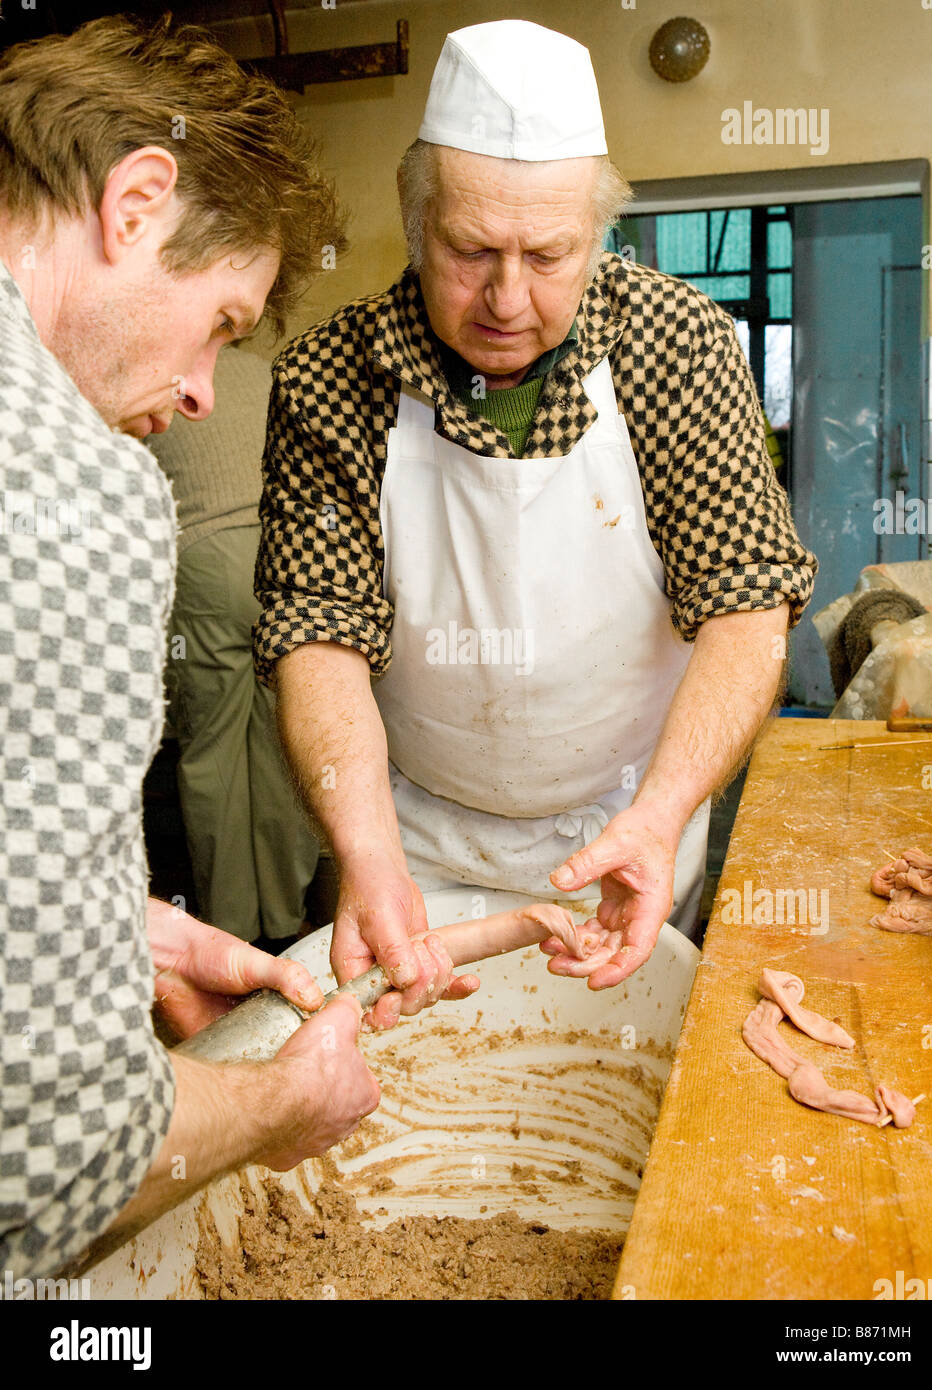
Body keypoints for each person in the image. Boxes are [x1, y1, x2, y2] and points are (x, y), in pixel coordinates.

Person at [0, 15, 451, 1281]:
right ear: (136, 202)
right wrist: (272, 1105)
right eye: (218, 319)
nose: (204, 392)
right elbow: (51, 1157)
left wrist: (101, 925)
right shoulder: (73, 487)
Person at [255, 19, 819, 1028]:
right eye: (471, 251)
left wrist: (658, 816)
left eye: (548, 256)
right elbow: (316, 638)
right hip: (411, 836)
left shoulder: (677, 347)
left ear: (596, 236)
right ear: (416, 221)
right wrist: (368, 853)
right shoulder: (329, 375)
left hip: (626, 828)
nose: (507, 300)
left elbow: (746, 610)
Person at [150, 349, 321, 945]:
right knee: (286, 750)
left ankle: (227, 932)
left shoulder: (154, 369)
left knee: (213, 751)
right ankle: (285, 924)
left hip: (204, 557)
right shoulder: (269, 367)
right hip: (287, 551)